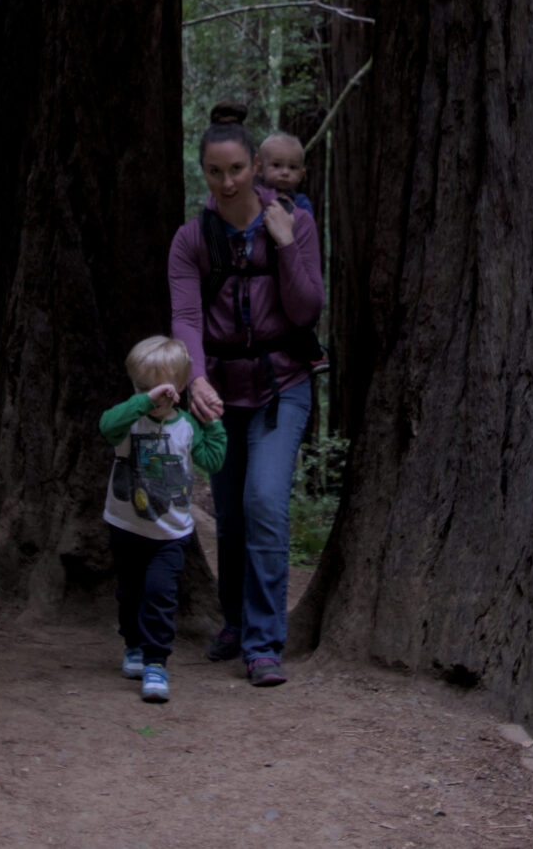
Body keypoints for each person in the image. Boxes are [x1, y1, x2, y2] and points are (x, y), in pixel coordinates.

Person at [169, 103, 324, 687]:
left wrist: (284, 244)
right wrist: (196, 379)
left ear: (255, 164)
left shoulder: (295, 221)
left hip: (283, 387)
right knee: (229, 515)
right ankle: (234, 623)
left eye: (237, 168)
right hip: (220, 394)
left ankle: (263, 644)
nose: (228, 181)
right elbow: (186, 316)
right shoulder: (192, 238)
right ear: (204, 171)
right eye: (215, 171)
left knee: (264, 504)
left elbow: (309, 307)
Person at [100, 335, 227, 704]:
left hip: (170, 534)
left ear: (179, 388)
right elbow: (106, 425)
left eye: (162, 391)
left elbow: (212, 461)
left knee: (159, 595)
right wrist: (142, 401)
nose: (154, 397)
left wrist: (215, 425)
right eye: (143, 388)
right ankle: (133, 647)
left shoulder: (186, 426)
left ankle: (156, 661)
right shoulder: (129, 420)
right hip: (125, 526)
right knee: (130, 593)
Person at [257, 131, 313, 215]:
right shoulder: (253, 196)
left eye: (292, 167)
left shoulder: (301, 203)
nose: (285, 173)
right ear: (260, 169)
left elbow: (307, 226)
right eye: (276, 165)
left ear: (301, 175)